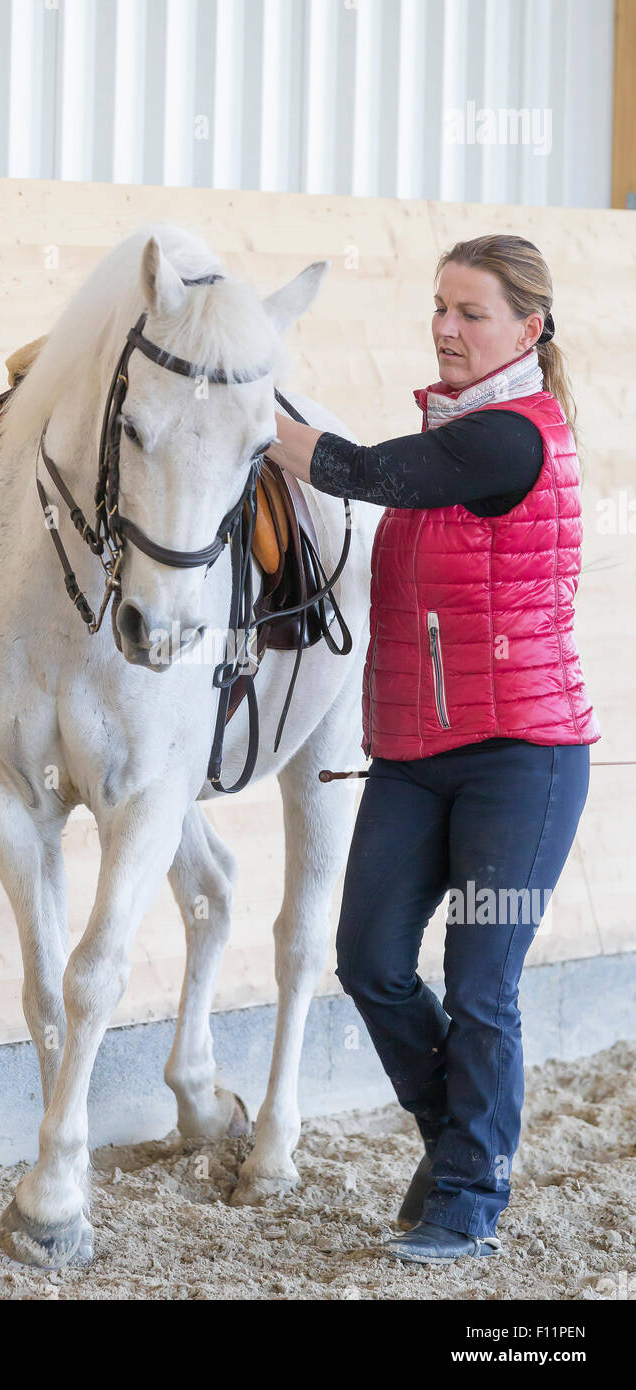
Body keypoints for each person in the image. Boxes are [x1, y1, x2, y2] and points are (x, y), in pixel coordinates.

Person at [266, 234, 600, 1265]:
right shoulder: (453, 432)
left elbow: (365, 473)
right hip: (414, 755)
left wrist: (246, 409)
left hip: (520, 759)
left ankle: (468, 1196)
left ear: (526, 329)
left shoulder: (509, 437)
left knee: (479, 981)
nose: (445, 329)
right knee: (366, 957)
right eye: (438, 309)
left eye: (469, 312)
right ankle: (453, 1137)